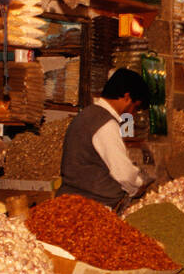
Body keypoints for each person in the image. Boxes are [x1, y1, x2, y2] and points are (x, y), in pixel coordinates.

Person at [57, 68, 151, 209]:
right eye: (135, 107)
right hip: (90, 206)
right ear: (126, 97)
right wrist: (139, 185)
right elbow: (123, 174)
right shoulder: (106, 124)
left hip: (71, 199)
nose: (132, 113)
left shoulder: (87, 114)